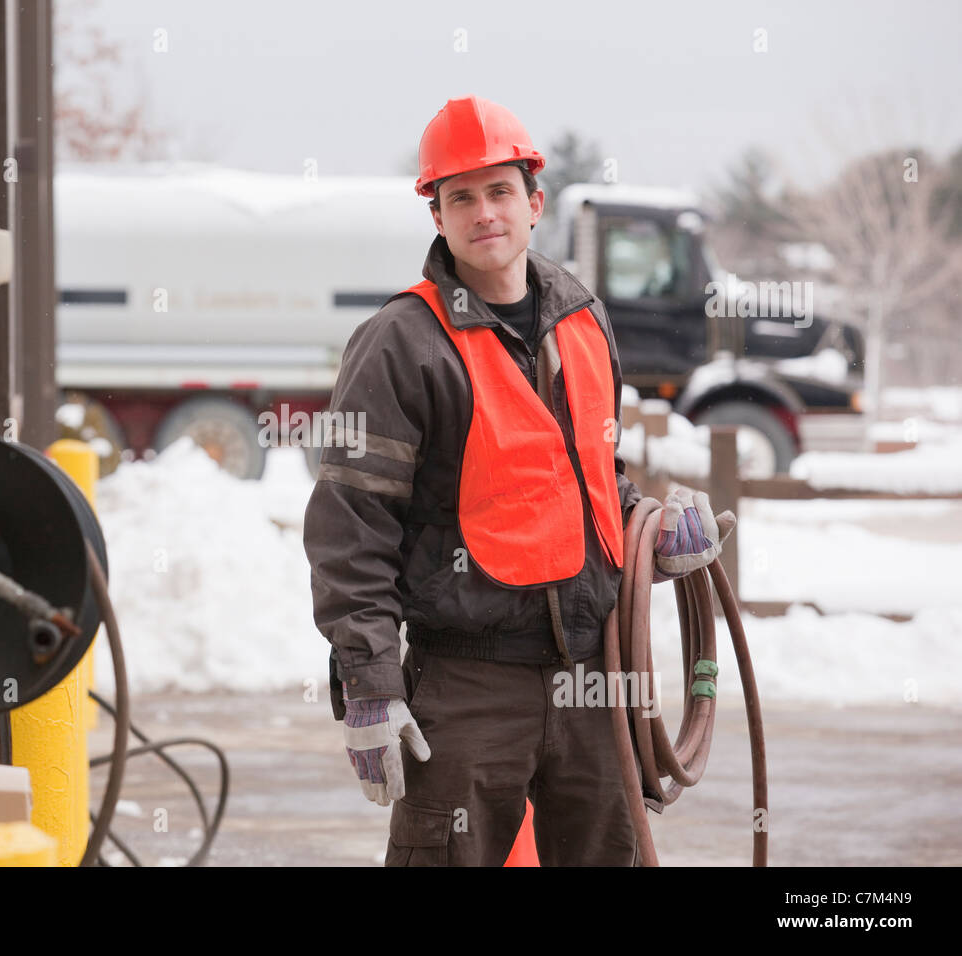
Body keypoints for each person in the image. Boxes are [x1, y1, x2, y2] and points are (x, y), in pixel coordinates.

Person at [302, 95, 734, 866]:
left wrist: (654, 535)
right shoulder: (400, 343)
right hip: (468, 686)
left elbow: (597, 479)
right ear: (436, 216)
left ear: (533, 203)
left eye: (499, 191)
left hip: (596, 679)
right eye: (459, 196)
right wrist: (369, 684)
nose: (483, 212)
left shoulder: (584, 318)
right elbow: (350, 527)